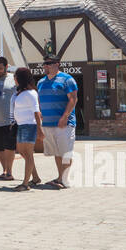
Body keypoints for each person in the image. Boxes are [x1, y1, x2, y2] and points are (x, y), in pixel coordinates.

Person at [36, 56, 78, 188]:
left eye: (49, 64)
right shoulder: (41, 82)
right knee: (56, 152)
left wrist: (65, 116)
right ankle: (60, 178)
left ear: (57, 64)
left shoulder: (67, 79)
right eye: (44, 64)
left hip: (64, 124)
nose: (45, 66)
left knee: (65, 153)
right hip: (48, 124)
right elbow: (39, 100)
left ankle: (65, 179)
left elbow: (73, 99)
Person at [10, 67, 43, 190]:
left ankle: (25, 183)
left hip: (30, 125)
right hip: (21, 125)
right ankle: (35, 177)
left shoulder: (31, 93)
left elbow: (37, 112)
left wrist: (40, 129)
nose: (14, 78)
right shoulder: (20, 92)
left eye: (15, 76)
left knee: (28, 154)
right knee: (22, 152)